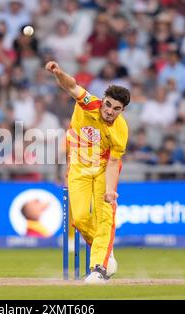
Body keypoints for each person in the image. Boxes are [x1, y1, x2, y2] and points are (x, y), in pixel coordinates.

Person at [45, 60, 130, 284]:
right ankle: (106, 251)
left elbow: (113, 163)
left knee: (105, 215)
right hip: (79, 166)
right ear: (103, 100)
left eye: (116, 109)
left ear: (123, 110)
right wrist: (58, 72)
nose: (110, 111)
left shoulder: (121, 130)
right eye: (108, 105)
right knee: (81, 218)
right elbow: (71, 86)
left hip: (103, 169)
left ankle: (99, 268)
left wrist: (110, 191)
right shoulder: (89, 103)